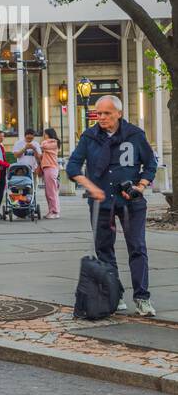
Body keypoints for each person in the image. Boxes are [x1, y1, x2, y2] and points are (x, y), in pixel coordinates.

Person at [67, 95, 157, 316]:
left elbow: (151, 164)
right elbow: (73, 167)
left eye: (107, 113)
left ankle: (142, 298)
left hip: (130, 203)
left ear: (119, 113)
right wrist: (90, 186)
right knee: (104, 250)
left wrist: (141, 186)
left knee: (137, 248)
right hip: (101, 203)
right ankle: (115, 296)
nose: (102, 117)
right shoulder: (89, 137)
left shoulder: (134, 134)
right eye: (99, 113)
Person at [39, 127, 61, 219]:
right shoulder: (49, 142)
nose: (44, 136)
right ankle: (51, 210)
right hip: (47, 168)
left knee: (51, 192)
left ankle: (55, 211)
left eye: (45, 134)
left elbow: (43, 146)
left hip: (51, 168)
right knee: (48, 192)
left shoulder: (54, 142)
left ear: (50, 134)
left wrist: (44, 142)